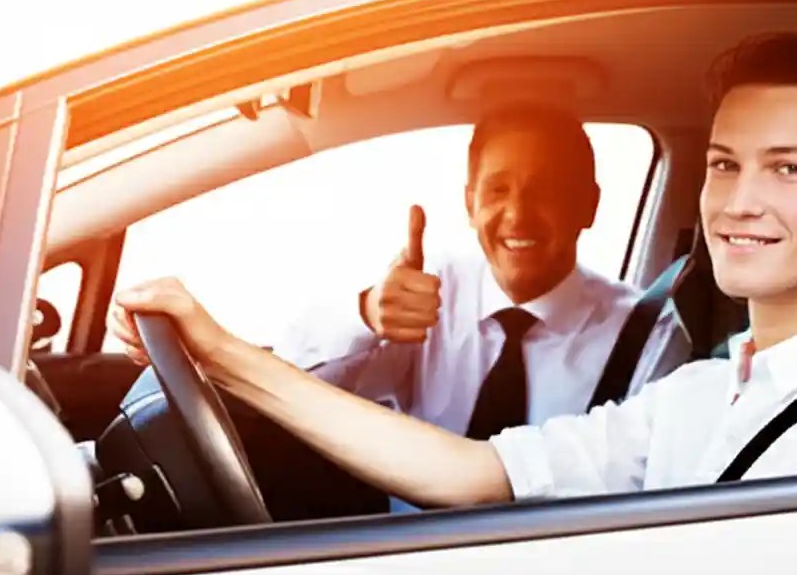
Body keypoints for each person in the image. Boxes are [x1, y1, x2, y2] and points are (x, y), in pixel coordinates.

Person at [109, 31, 797, 508]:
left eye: (787, 169)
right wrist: (223, 354)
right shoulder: (702, 397)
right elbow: (474, 474)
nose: (737, 201)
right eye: (722, 164)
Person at [272, 103, 674, 439]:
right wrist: (367, 312)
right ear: (470, 205)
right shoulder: (427, 296)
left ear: (589, 205)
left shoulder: (644, 334)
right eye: (498, 190)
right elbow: (284, 384)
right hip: (414, 536)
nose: (518, 215)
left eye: (545, 190)